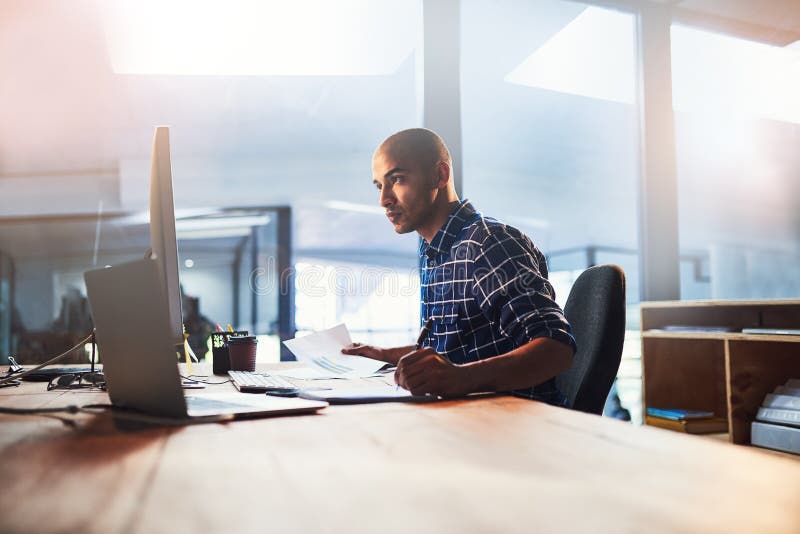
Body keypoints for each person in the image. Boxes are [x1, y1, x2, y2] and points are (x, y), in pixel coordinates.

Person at [342, 128, 577, 405]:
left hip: (514, 425)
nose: (384, 200)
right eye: (380, 185)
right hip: (463, 417)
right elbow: (451, 347)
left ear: (439, 175)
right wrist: (384, 355)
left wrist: (459, 378)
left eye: (398, 179)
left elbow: (555, 347)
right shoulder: (433, 248)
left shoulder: (488, 244)